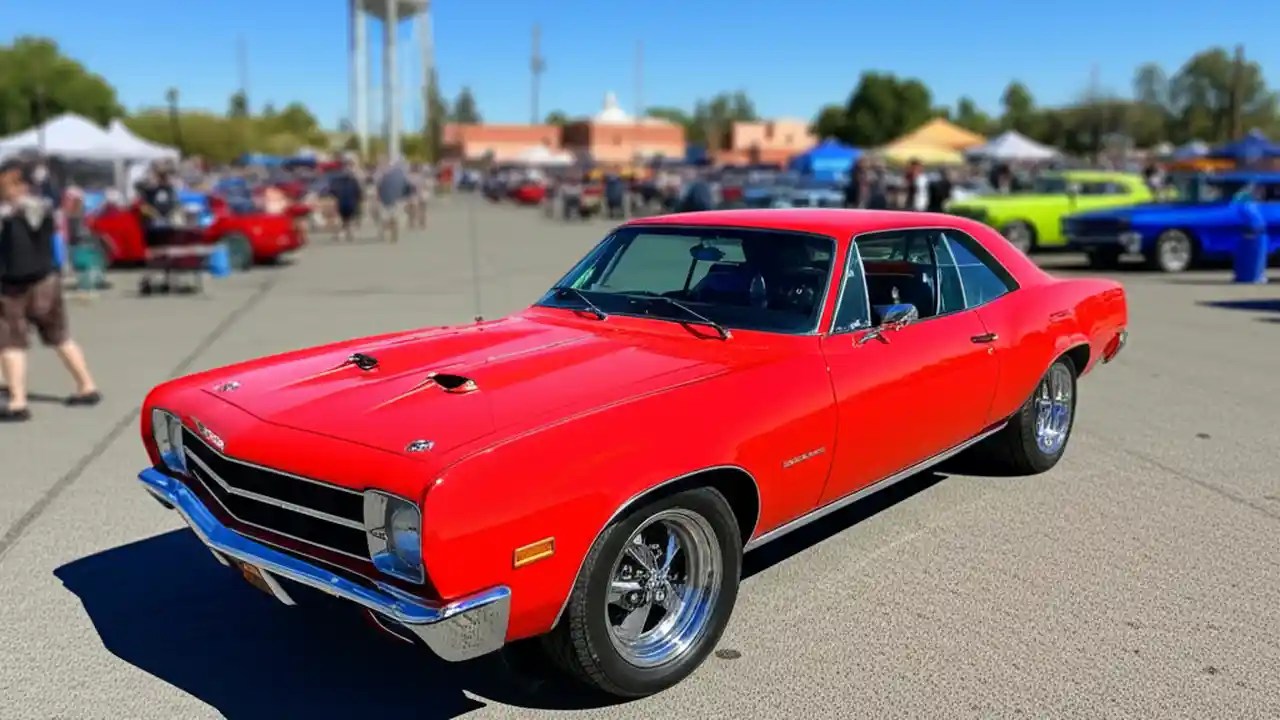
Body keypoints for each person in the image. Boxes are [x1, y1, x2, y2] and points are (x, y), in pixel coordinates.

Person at [0, 159, 99, 422]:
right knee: (60, 336)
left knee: (11, 342)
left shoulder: (8, 213)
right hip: (46, 279)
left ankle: (17, 401)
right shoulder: (43, 207)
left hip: (12, 285)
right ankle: (87, 385)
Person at [327, 160, 363, 242]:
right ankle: (349, 234)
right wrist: (359, 200)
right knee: (348, 219)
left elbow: (332, 191)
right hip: (350, 202)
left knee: (345, 219)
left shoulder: (338, 180)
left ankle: (345, 234)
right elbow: (358, 192)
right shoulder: (353, 180)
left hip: (343, 202)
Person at [376, 161, 411, 243]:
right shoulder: (400, 177)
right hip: (395, 201)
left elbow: (379, 189)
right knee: (393, 219)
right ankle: (393, 235)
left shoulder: (385, 178)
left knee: (390, 219)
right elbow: (407, 189)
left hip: (390, 201)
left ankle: (393, 235)